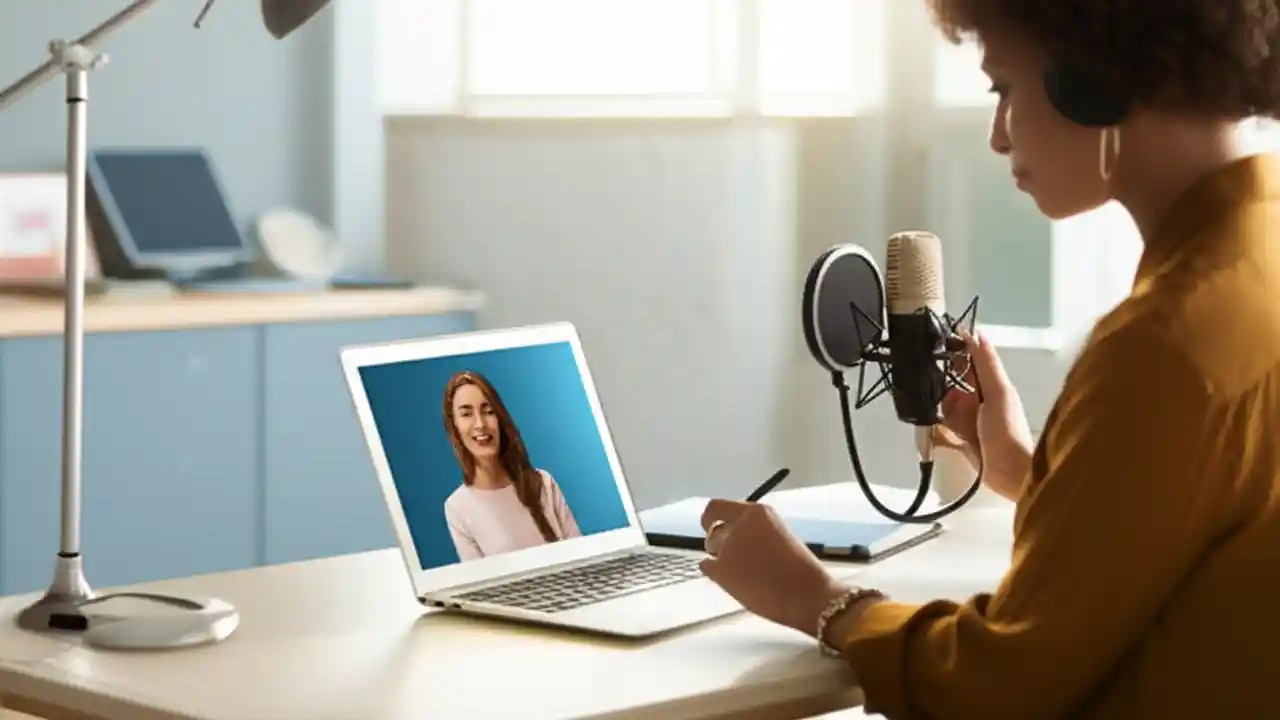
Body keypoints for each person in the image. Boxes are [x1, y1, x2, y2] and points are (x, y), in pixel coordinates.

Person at [699, 1, 1280, 718]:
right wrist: (1027, 471)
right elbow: (1191, 541)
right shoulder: (1259, 259)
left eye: (1003, 88)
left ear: (1094, 79)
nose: (998, 136)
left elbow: (999, 686)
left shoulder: (1163, 344)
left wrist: (818, 599)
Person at [441, 370, 582, 561]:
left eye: (488, 411)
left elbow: (582, 555)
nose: (480, 423)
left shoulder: (543, 483)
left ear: (500, 419)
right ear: (454, 426)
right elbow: (484, 586)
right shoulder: (457, 508)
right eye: (466, 414)